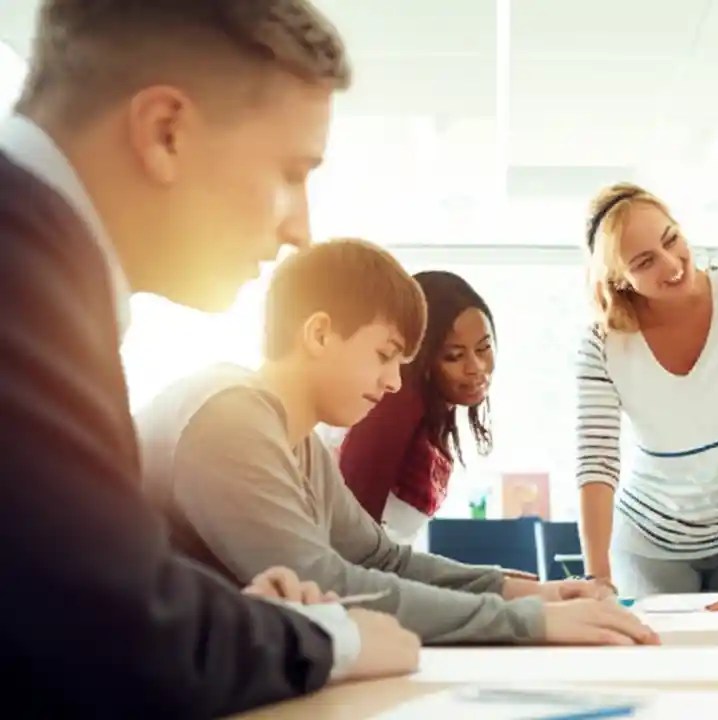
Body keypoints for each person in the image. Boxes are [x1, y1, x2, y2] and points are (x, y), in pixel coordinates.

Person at [0, 1, 417, 715]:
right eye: (291, 172)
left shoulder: (41, 263)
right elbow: (117, 637)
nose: (300, 229)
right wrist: (333, 639)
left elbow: (79, 586)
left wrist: (231, 615)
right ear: (166, 132)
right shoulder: (21, 278)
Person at [136, 239, 659, 647]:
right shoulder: (228, 419)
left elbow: (384, 560)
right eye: (385, 356)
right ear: (319, 335)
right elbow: (325, 584)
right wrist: (528, 621)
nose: (392, 383)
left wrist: (532, 593)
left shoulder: (299, 443)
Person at [576, 182, 718, 597]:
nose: (671, 263)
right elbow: (597, 462)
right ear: (620, 279)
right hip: (649, 542)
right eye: (645, 262)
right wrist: (598, 580)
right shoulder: (602, 343)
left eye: (671, 239)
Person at [340, 271, 497, 543]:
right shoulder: (396, 405)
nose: (476, 368)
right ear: (420, 356)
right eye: (454, 356)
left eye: (484, 348)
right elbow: (355, 539)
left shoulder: (433, 412)